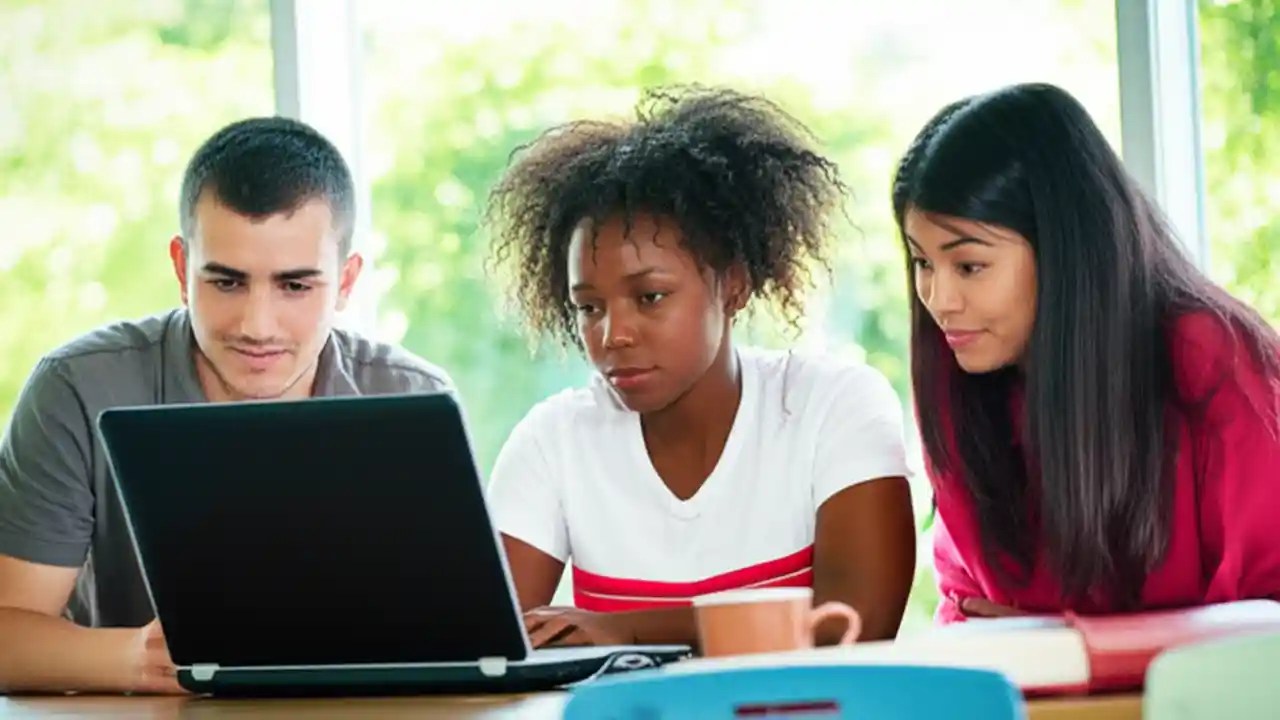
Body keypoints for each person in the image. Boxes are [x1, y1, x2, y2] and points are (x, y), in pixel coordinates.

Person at [0, 117, 454, 693]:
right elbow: (8, 636)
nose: (256, 326)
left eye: (295, 286)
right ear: (180, 268)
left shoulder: (414, 399)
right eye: (226, 282)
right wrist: (139, 657)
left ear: (345, 282)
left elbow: (455, 638)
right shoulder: (77, 388)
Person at [483, 85, 917, 650]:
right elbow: (494, 643)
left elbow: (853, 623)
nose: (612, 334)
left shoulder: (833, 406)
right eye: (589, 307)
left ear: (732, 285)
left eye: (650, 297)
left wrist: (626, 630)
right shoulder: (552, 441)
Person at [891, 82, 1280, 623]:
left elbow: (1264, 625)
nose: (938, 300)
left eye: (969, 266)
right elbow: (969, 615)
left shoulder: (1208, 355)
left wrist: (1072, 646)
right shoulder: (957, 373)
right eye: (922, 263)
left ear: (1063, 248)